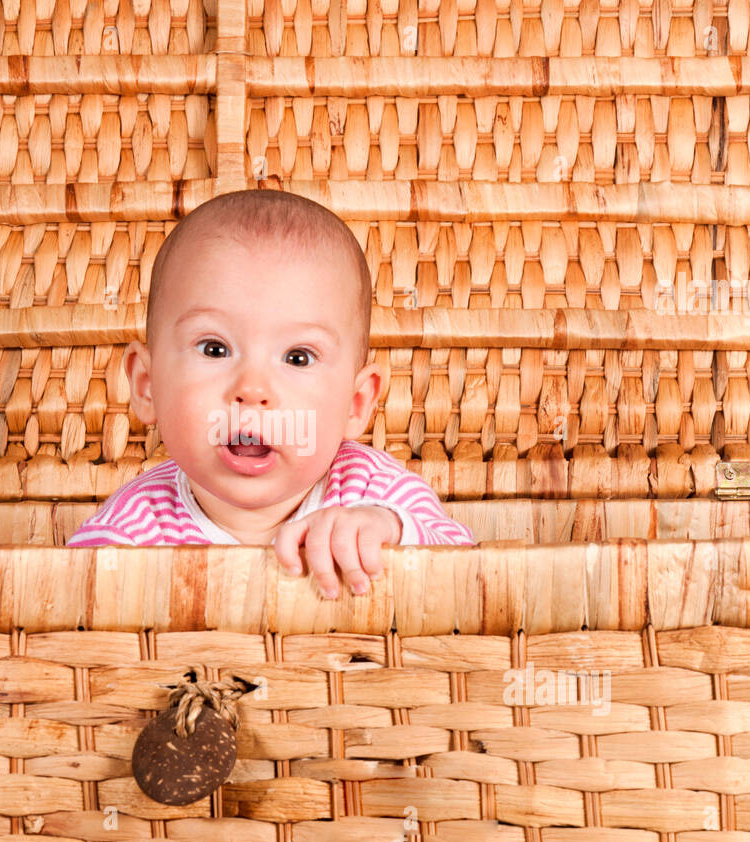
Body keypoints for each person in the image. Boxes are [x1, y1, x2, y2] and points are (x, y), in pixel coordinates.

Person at [67, 189, 474, 597]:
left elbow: (470, 572)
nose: (252, 389)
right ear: (146, 385)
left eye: (298, 358)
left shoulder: (373, 489)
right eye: (215, 349)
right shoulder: (128, 532)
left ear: (355, 404)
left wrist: (388, 528)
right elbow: (66, 604)